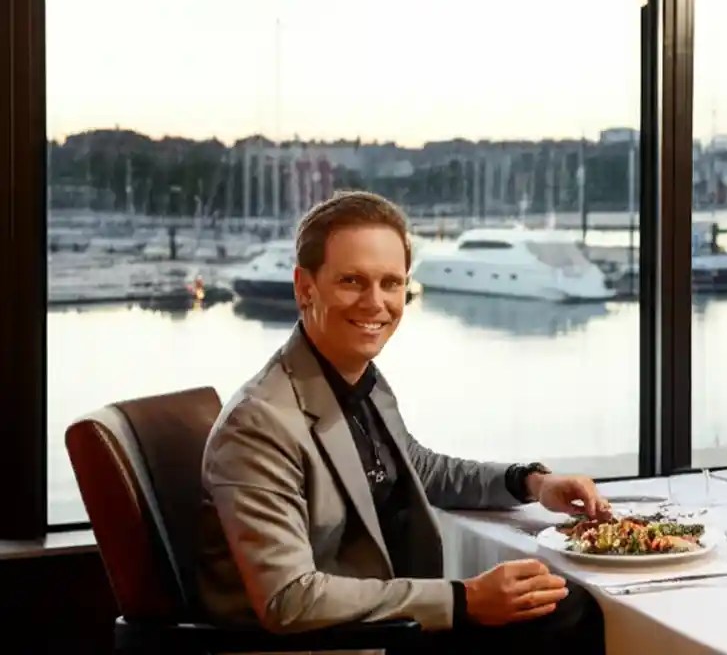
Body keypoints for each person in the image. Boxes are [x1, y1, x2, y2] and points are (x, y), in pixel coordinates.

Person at [196, 191, 606, 654]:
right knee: (568, 616)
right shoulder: (260, 423)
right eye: (352, 281)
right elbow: (289, 599)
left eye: (391, 283)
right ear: (304, 287)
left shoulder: (357, 378)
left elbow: (417, 468)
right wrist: (464, 599)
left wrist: (531, 483)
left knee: (561, 603)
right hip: (336, 643)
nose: (376, 303)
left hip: (386, 622)